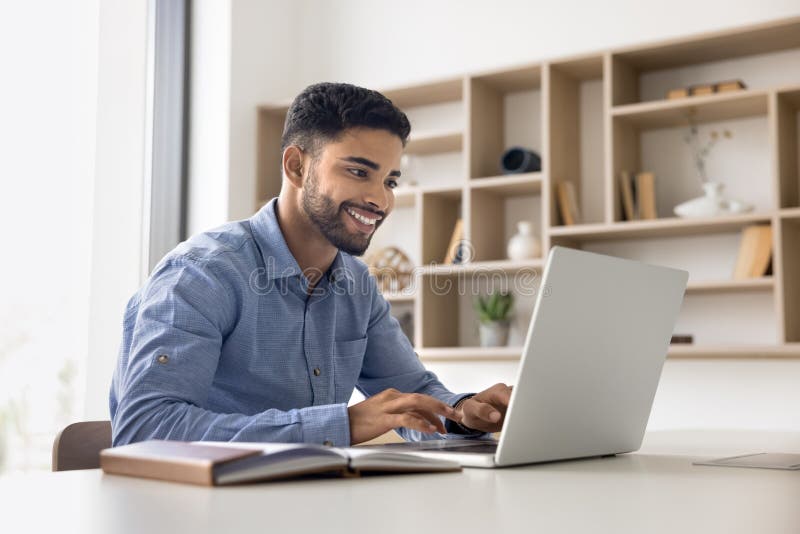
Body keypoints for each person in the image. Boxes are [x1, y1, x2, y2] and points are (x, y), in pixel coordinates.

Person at [110, 82, 512, 447]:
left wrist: (466, 413)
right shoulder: (202, 273)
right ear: (296, 166)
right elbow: (145, 427)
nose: (381, 199)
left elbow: (412, 391)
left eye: (390, 181)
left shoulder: (356, 285)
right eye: (359, 172)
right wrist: (342, 425)